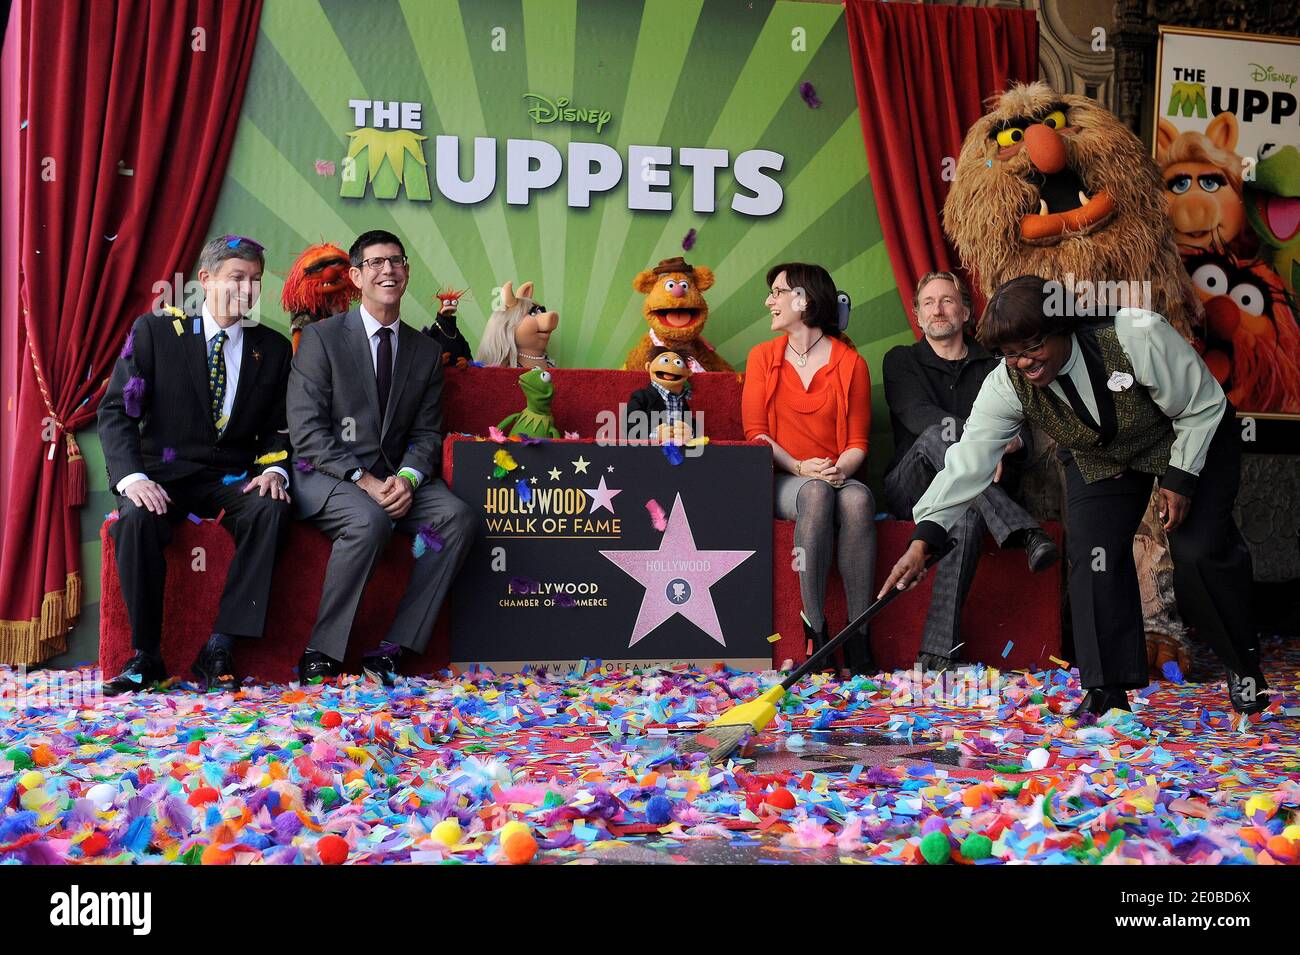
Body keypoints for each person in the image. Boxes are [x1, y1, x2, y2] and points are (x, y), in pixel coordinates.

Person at [880, 275, 1268, 716]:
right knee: (1094, 555)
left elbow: (1202, 405)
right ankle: (1107, 690)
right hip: (1102, 457)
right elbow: (969, 460)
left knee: (1198, 551)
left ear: (1063, 326)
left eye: (1032, 346)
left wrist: (1180, 479)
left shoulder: (1136, 335)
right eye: (1009, 354)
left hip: (1190, 435)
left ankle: (1243, 665)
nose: (1023, 362)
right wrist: (924, 537)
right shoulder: (1006, 382)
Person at [98, 235, 293, 694]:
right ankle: (146, 656)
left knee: (273, 508)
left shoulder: (275, 348)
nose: (246, 290)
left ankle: (220, 645)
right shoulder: (155, 332)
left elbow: (280, 429)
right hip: (162, 475)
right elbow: (115, 412)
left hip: (232, 478)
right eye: (236, 279)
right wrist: (132, 478)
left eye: (255, 281)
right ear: (205, 280)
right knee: (135, 519)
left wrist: (274, 470)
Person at [288, 229, 478, 684]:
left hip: (396, 477)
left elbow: (427, 433)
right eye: (374, 263)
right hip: (328, 473)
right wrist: (363, 480)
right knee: (368, 520)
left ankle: (394, 649)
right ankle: (322, 650)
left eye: (395, 261)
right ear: (356, 276)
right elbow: (308, 433)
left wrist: (410, 478)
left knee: (458, 517)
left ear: (407, 272)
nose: (387, 270)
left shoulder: (426, 351)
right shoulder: (321, 339)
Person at [882, 271, 1058, 673]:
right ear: (917, 315)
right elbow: (918, 416)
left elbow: (1025, 433)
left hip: (974, 492)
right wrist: (983, 447)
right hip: (913, 488)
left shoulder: (997, 365)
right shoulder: (901, 361)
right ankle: (1024, 530)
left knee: (967, 515)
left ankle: (936, 657)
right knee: (931, 436)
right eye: (928, 302)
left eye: (947, 301)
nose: (938, 309)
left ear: (965, 312)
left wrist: (1005, 443)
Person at [743, 262, 876, 673]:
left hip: (835, 473)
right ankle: (816, 630)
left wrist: (839, 469)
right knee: (816, 494)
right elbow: (756, 434)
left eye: (778, 292)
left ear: (804, 300)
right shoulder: (763, 357)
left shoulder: (851, 364)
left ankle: (859, 633)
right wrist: (802, 468)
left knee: (856, 500)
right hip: (785, 477)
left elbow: (857, 443)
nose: (770, 301)